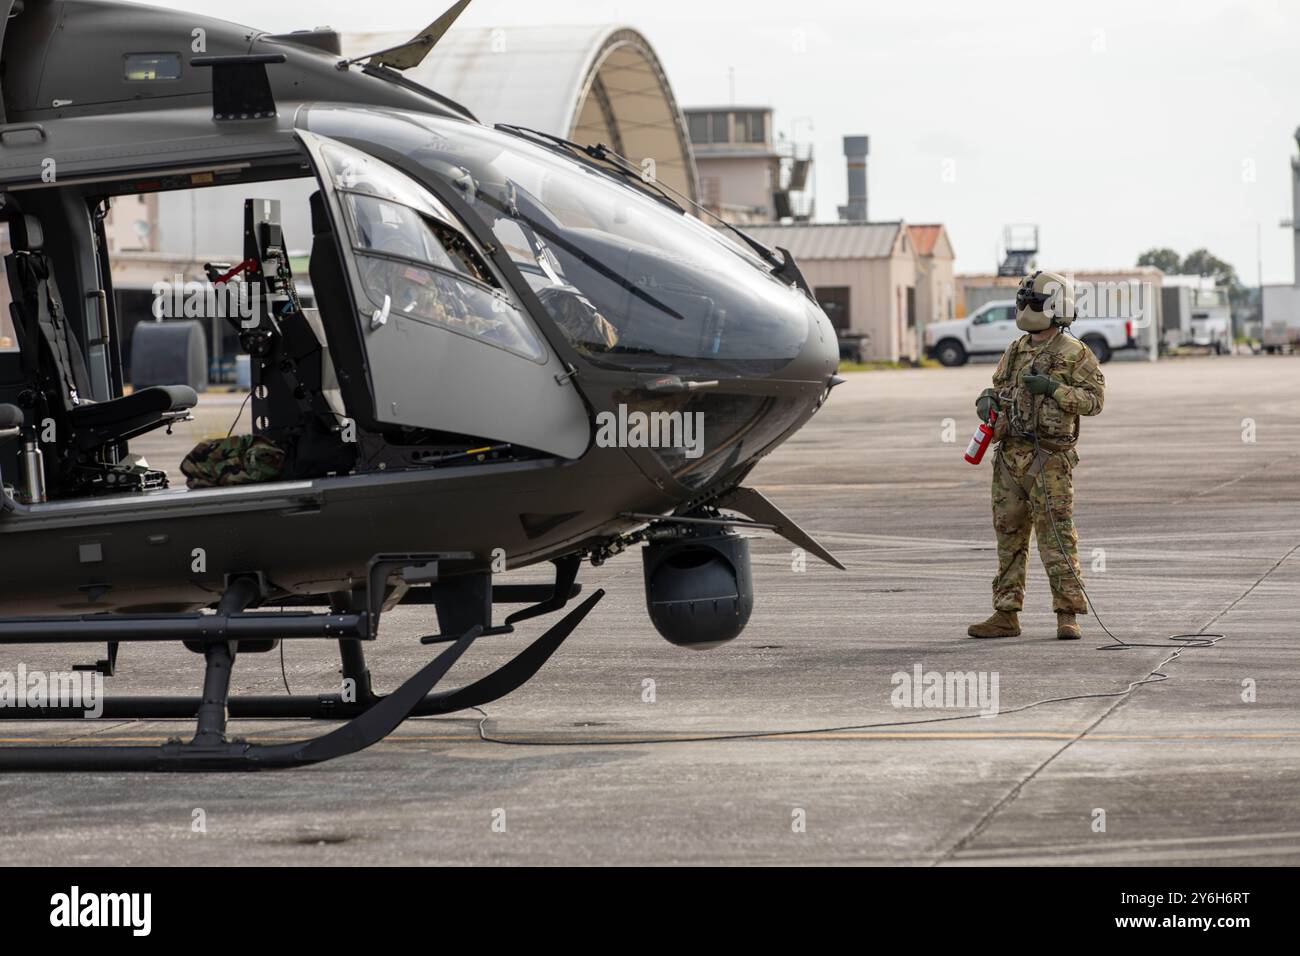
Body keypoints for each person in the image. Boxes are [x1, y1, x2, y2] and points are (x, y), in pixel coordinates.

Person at [968, 270, 1105, 641]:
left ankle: (1067, 614)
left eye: (1034, 301)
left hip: (1051, 459)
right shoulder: (1015, 349)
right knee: (1009, 535)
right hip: (1011, 456)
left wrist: (1055, 390)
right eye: (1023, 301)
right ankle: (1006, 613)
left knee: (1057, 536)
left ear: (1056, 307)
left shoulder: (1076, 354)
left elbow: (1094, 402)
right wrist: (987, 399)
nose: (1026, 308)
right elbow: (1000, 387)